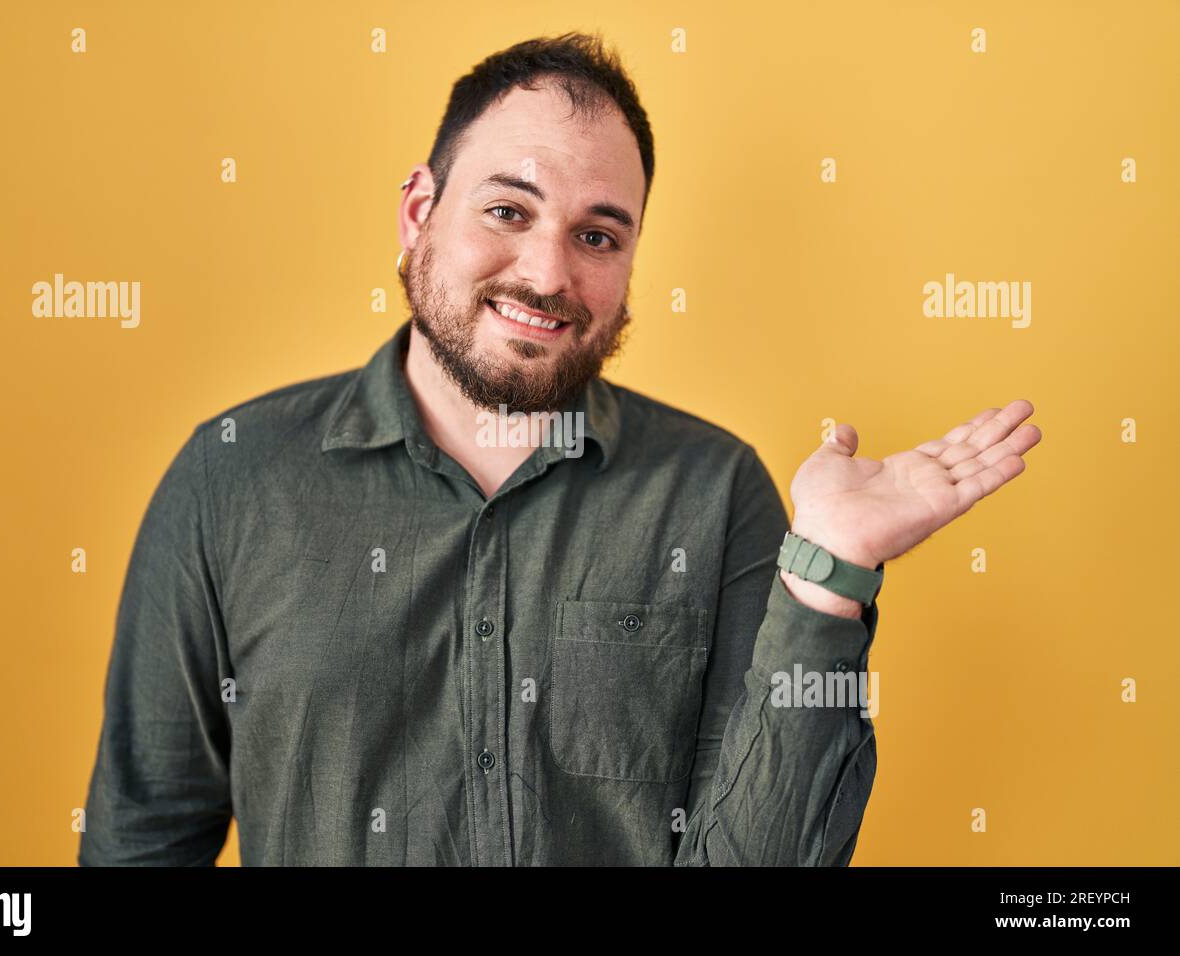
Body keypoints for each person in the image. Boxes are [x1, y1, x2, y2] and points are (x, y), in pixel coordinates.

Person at [79, 32, 1040, 866]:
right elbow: (141, 840)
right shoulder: (232, 476)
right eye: (508, 211)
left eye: (597, 235)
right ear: (420, 213)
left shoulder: (715, 493)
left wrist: (831, 575)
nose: (548, 272)